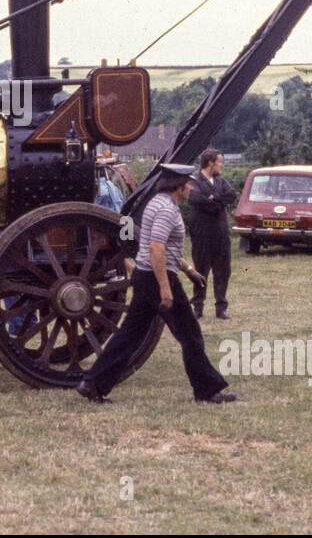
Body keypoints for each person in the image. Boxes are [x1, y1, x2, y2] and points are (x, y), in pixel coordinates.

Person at [77, 163, 237, 404]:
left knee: (129, 335)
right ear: (179, 185)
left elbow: (163, 246)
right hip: (156, 278)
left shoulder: (157, 202)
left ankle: (92, 383)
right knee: (190, 334)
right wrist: (165, 287)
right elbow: (156, 248)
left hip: (145, 276)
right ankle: (207, 389)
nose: (192, 187)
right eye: (189, 183)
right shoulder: (166, 210)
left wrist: (188, 269)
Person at [187, 147, 237, 319]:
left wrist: (213, 200)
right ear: (210, 163)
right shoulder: (194, 181)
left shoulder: (221, 181)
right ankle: (198, 307)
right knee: (201, 269)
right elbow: (195, 199)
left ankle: (221, 307)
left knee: (223, 270)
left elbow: (231, 195)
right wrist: (217, 201)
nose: (221, 165)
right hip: (202, 233)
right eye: (219, 162)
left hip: (221, 233)